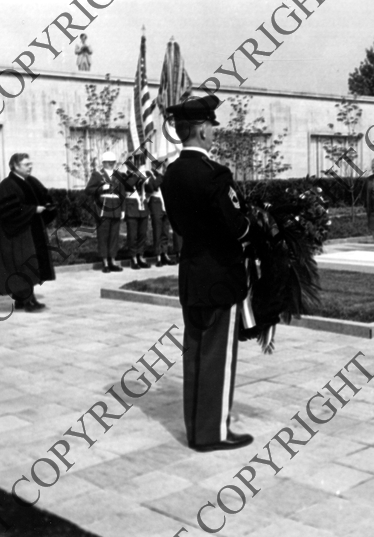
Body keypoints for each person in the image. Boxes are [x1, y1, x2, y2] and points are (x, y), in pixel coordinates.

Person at [160, 94, 261, 452]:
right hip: (220, 274)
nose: (214, 133)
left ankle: (197, 428)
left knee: (196, 353)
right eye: (212, 127)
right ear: (201, 130)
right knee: (217, 355)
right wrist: (255, 227)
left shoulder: (170, 174)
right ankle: (212, 433)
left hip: (192, 272)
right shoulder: (214, 175)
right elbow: (236, 227)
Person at [0, 153, 57, 312]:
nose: (30, 166)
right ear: (15, 166)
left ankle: (21, 299)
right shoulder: (7, 184)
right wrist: (33, 210)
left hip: (31, 231)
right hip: (15, 234)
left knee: (31, 263)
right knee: (23, 265)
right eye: (26, 164)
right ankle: (27, 300)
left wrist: (47, 205)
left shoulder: (30, 181)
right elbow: (8, 211)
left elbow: (44, 197)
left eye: (30, 163)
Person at [86, 151, 126, 273]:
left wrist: (123, 209)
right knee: (103, 236)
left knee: (114, 236)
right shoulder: (98, 175)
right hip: (103, 208)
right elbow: (88, 190)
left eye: (113, 162)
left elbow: (122, 193)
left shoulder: (118, 175)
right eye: (108, 162)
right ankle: (105, 262)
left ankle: (113, 261)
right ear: (103, 162)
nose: (111, 164)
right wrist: (101, 188)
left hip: (116, 208)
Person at [144, 158, 178, 267]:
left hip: (164, 203)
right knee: (157, 230)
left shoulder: (164, 176)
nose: (160, 167)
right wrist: (160, 176)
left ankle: (165, 253)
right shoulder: (149, 175)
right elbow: (152, 187)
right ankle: (158, 256)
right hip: (155, 203)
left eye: (161, 165)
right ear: (153, 166)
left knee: (165, 231)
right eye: (157, 165)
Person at [123, 154, 151, 270]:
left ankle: (140, 256)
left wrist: (148, 178)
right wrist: (138, 174)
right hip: (132, 207)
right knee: (132, 235)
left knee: (142, 234)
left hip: (142, 207)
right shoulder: (125, 176)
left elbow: (151, 188)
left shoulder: (142, 175)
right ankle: (133, 258)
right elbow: (129, 185)